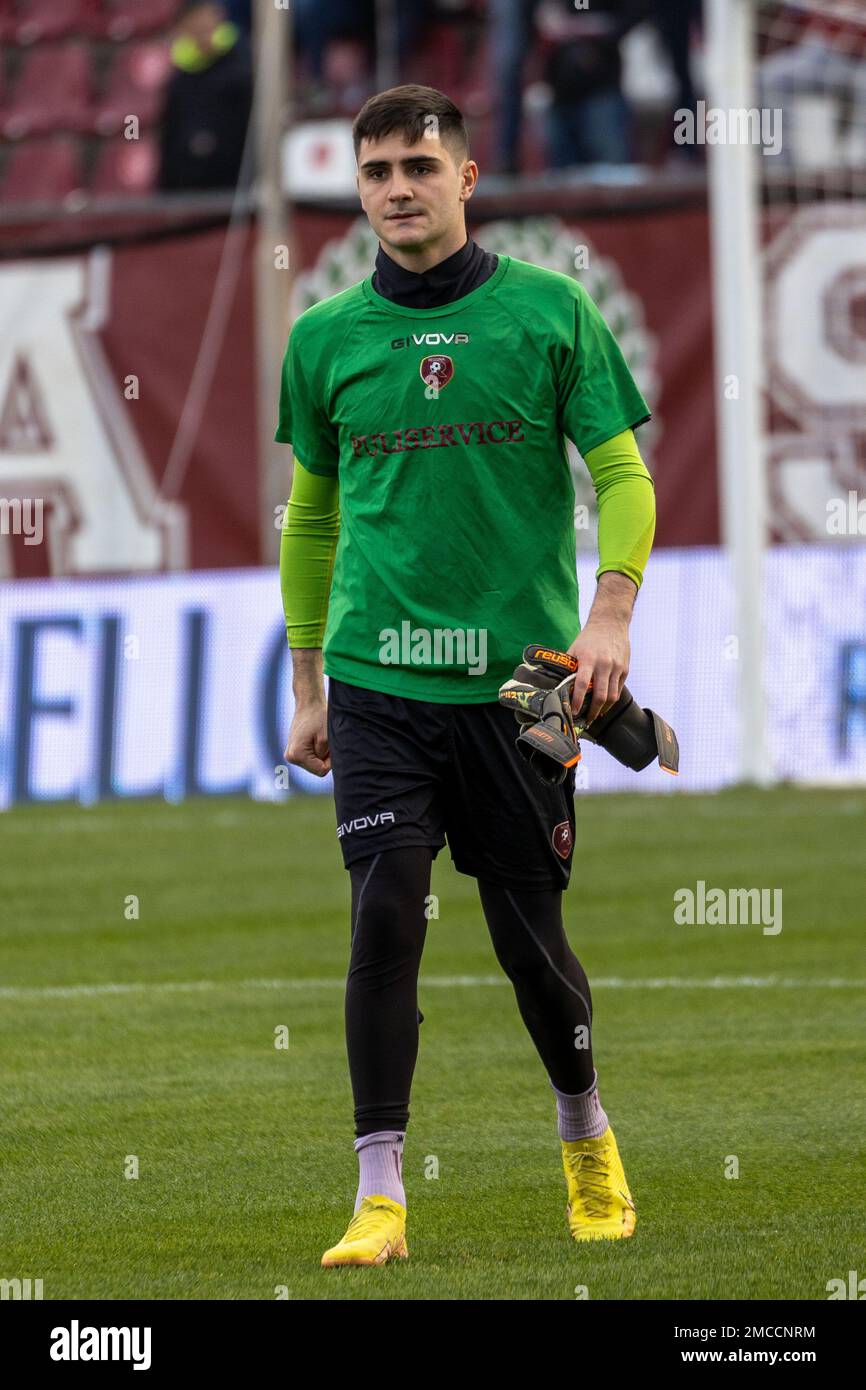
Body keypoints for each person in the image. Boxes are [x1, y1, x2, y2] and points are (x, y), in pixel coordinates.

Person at [276, 84, 656, 1266]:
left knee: (527, 945)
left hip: (525, 687)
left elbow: (624, 476)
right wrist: (305, 687)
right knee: (383, 910)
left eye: (418, 166)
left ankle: (584, 1136)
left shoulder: (549, 312)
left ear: (466, 178)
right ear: (357, 187)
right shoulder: (322, 337)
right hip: (379, 678)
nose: (397, 187)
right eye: (376, 169)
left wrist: (608, 617)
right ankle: (378, 1195)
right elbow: (310, 523)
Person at [158, 0, 253, 192]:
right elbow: (171, 134)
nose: (203, 33)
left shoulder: (243, 65)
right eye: (195, 27)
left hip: (232, 185)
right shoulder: (178, 78)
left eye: (207, 25)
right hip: (186, 185)